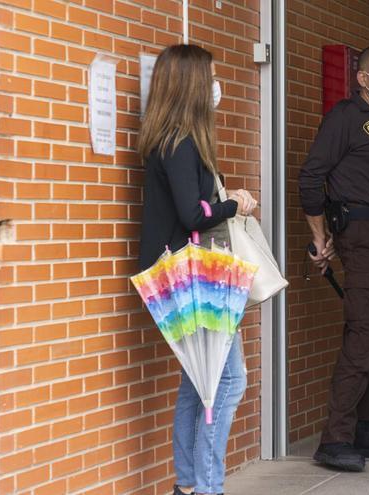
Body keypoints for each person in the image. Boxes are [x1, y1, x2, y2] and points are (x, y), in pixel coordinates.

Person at [137, 44, 258, 495]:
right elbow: (194, 214)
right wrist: (235, 202)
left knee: (199, 384)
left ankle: (188, 487)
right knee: (226, 382)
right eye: (210, 77)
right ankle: (207, 488)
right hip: (192, 280)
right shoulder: (180, 142)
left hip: (185, 276)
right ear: (191, 84)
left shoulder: (172, 140)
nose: (215, 87)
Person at [299, 46, 369, 472]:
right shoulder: (344, 119)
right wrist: (319, 238)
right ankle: (335, 439)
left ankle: (366, 429)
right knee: (363, 335)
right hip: (361, 236)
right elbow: (311, 177)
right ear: (363, 78)